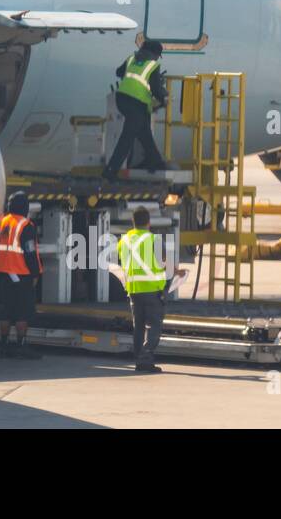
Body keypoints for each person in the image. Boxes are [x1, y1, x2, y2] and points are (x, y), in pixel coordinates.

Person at [116, 206, 184, 372]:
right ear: (149, 222)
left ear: (133, 222)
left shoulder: (123, 241)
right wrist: (178, 271)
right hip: (151, 290)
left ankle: (139, 358)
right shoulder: (153, 240)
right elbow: (163, 262)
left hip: (133, 290)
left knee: (138, 326)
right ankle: (145, 358)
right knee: (153, 326)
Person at [102, 40, 168, 180]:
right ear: (155, 54)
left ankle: (156, 163)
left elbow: (119, 72)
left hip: (121, 99)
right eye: (158, 55)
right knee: (127, 138)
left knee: (145, 133)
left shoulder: (132, 58)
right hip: (136, 103)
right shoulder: (153, 65)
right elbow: (156, 89)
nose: (157, 58)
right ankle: (111, 171)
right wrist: (164, 98)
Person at [0, 191, 42, 359]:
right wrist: (35, 273)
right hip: (20, 273)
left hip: (2, 272)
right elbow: (29, 252)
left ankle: (3, 345)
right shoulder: (25, 225)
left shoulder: (3, 222)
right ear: (25, 207)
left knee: (5, 311)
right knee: (22, 312)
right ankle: (21, 345)